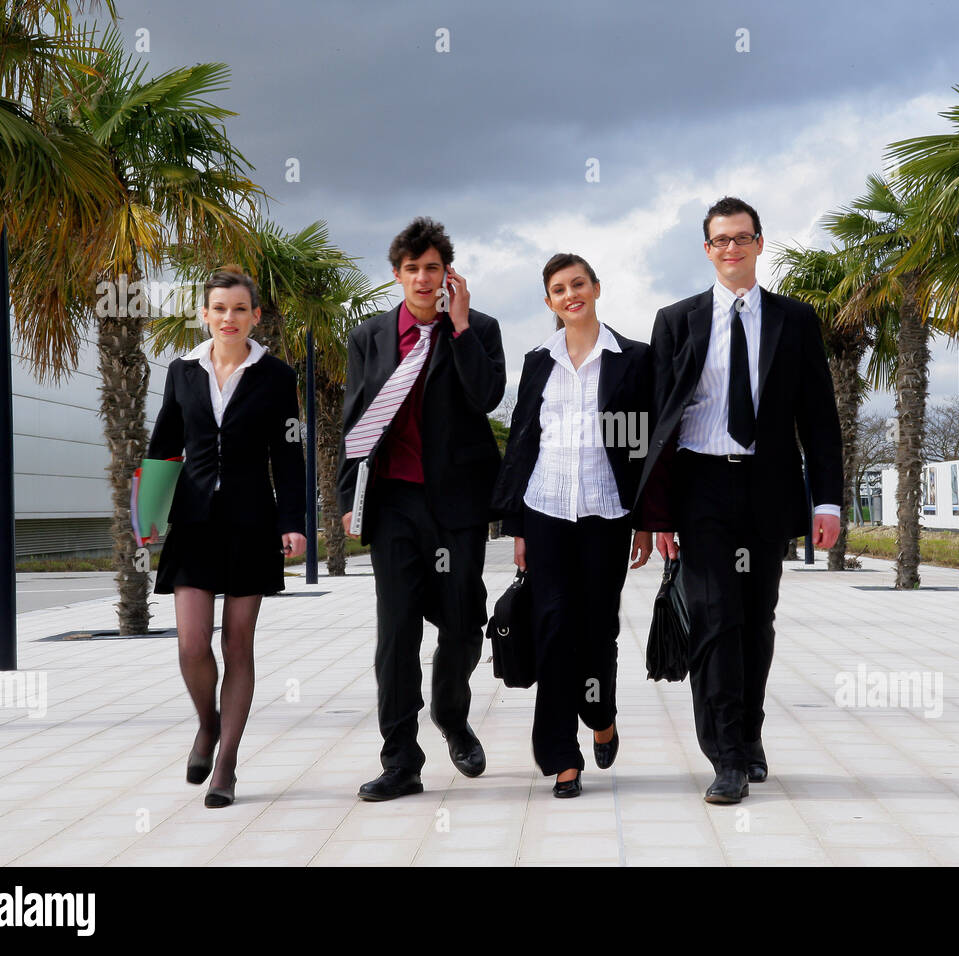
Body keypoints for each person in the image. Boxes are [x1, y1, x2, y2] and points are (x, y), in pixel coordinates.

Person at [636, 197, 844, 804]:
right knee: (715, 618)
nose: (731, 248)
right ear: (708, 250)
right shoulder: (676, 321)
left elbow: (821, 420)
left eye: (742, 238)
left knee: (757, 620)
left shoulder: (795, 320)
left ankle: (749, 741)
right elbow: (656, 421)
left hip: (768, 489)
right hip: (700, 487)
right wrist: (657, 513)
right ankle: (725, 755)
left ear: (759, 243)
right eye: (720, 240)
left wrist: (826, 502)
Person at [338, 217, 507, 802]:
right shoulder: (370, 338)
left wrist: (458, 328)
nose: (421, 277)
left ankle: (451, 715)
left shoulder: (480, 329)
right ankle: (400, 760)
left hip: (457, 504)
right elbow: (355, 419)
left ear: (447, 274)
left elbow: (487, 396)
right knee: (396, 633)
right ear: (397, 275)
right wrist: (344, 498)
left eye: (432, 267)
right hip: (393, 502)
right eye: (411, 269)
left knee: (463, 624)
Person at [493, 254, 654, 798]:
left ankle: (602, 713)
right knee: (554, 629)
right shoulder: (537, 360)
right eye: (559, 289)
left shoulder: (633, 359)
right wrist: (516, 523)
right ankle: (562, 756)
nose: (570, 294)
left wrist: (648, 519)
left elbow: (643, 446)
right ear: (549, 302)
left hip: (608, 514)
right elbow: (522, 442)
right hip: (546, 511)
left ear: (596, 288)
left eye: (578, 284)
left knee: (597, 630)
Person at [147, 265, 308, 809]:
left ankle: (227, 763)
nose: (229, 318)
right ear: (205, 314)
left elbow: (289, 452)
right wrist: (148, 513)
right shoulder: (183, 371)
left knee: (237, 642)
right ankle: (207, 723)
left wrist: (293, 522)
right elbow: (166, 443)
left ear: (255, 315)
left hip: (251, 520)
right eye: (219, 308)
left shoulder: (277, 376)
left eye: (240, 309)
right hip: (192, 521)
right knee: (192, 643)